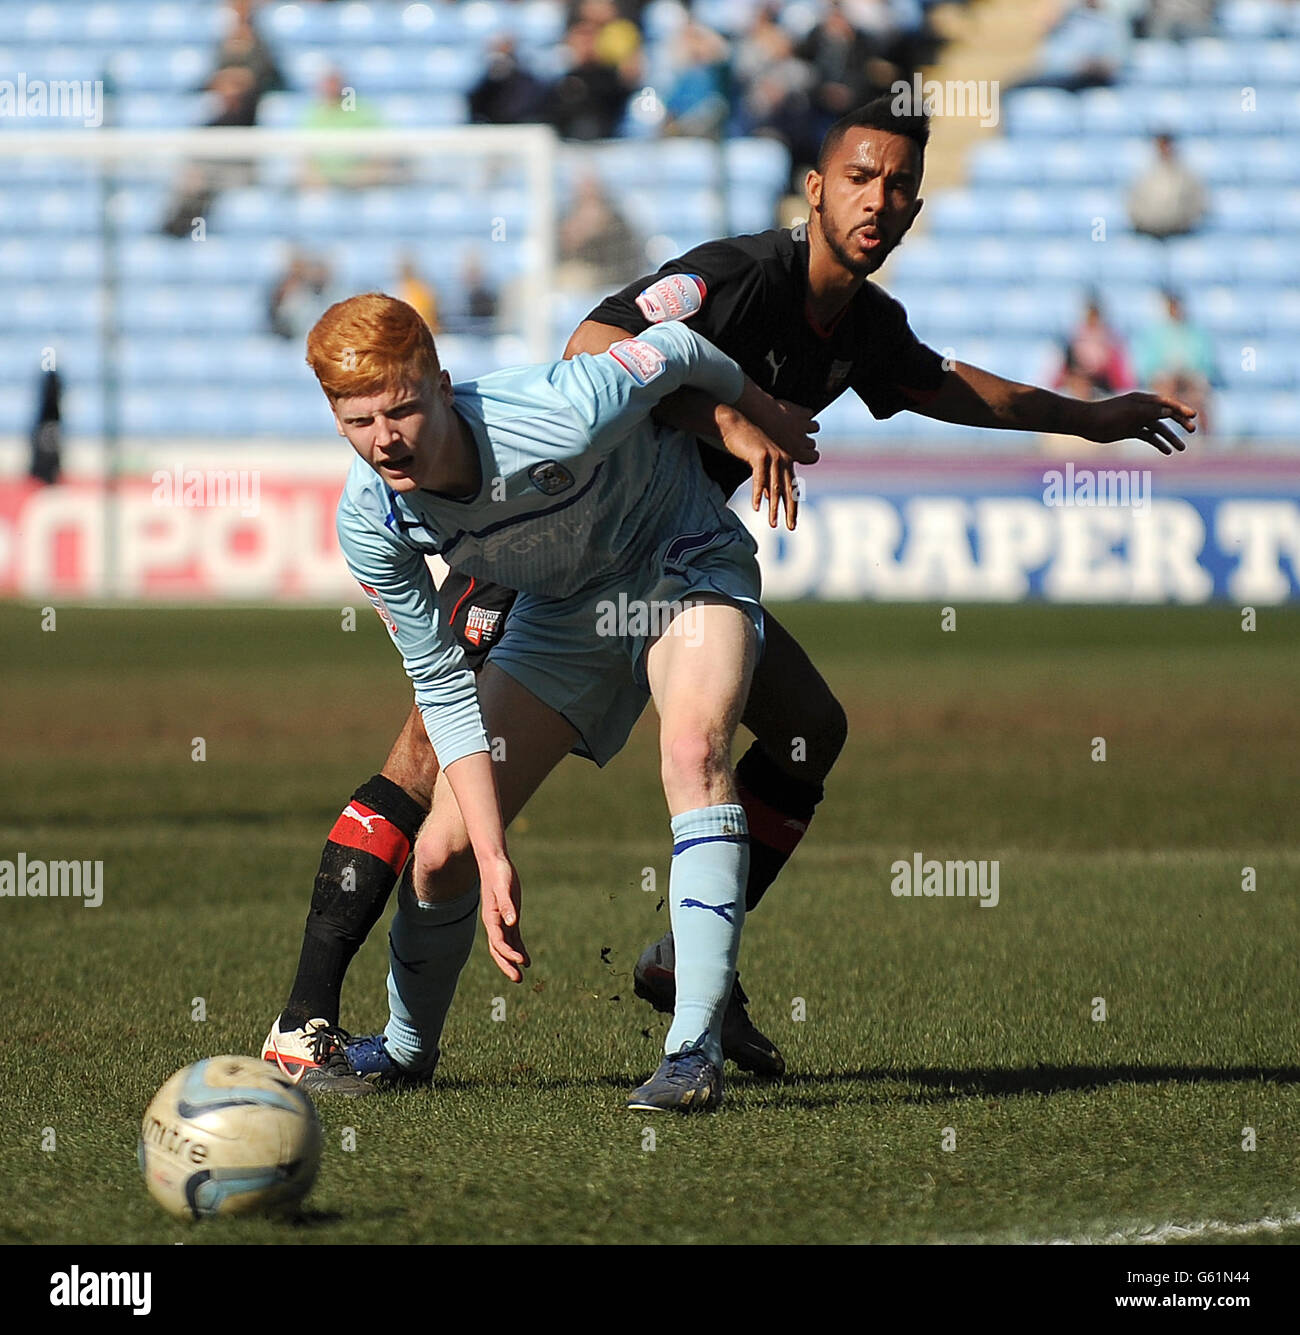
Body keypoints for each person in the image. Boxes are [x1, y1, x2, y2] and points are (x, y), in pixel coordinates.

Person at [263, 96, 1197, 1096]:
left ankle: (688, 1011)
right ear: (814, 186)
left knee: (754, 737)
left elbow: (955, 387)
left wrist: (1093, 416)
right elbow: (605, 343)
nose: (877, 200)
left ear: (917, 208)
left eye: (898, 186)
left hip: (673, 555)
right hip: (544, 566)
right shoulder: (738, 278)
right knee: (434, 806)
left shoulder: (862, 328)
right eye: (857, 177)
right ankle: (339, 1024)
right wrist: (738, 419)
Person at [302, 293, 811, 1111]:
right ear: (335, 418)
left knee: (693, 752)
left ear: (440, 383)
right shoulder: (370, 517)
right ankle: (404, 1050)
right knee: (441, 855)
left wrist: (755, 415)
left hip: (677, 561)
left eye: (401, 409)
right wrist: (494, 848)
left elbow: (676, 347)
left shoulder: (558, 410)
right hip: (562, 612)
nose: (385, 439)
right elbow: (438, 682)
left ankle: (691, 1051)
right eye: (360, 421)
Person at [1134, 290, 1214, 435]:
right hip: (1166, 379)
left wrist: (1188, 374)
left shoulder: (1196, 334)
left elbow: (1205, 364)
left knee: (1199, 397)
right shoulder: (1155, 334)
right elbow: (1148, 366)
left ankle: (1203, 439)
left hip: (1189, 380)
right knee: (1167, 391)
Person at [1127, 133, 1208, 241]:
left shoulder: (1187, 176)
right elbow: (1132, 206)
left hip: (1180, 234)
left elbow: (1200, 206)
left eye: (1167, 146)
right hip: (1149, 233)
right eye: (1161, 146)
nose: (1165, 150)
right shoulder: (1143, 175)